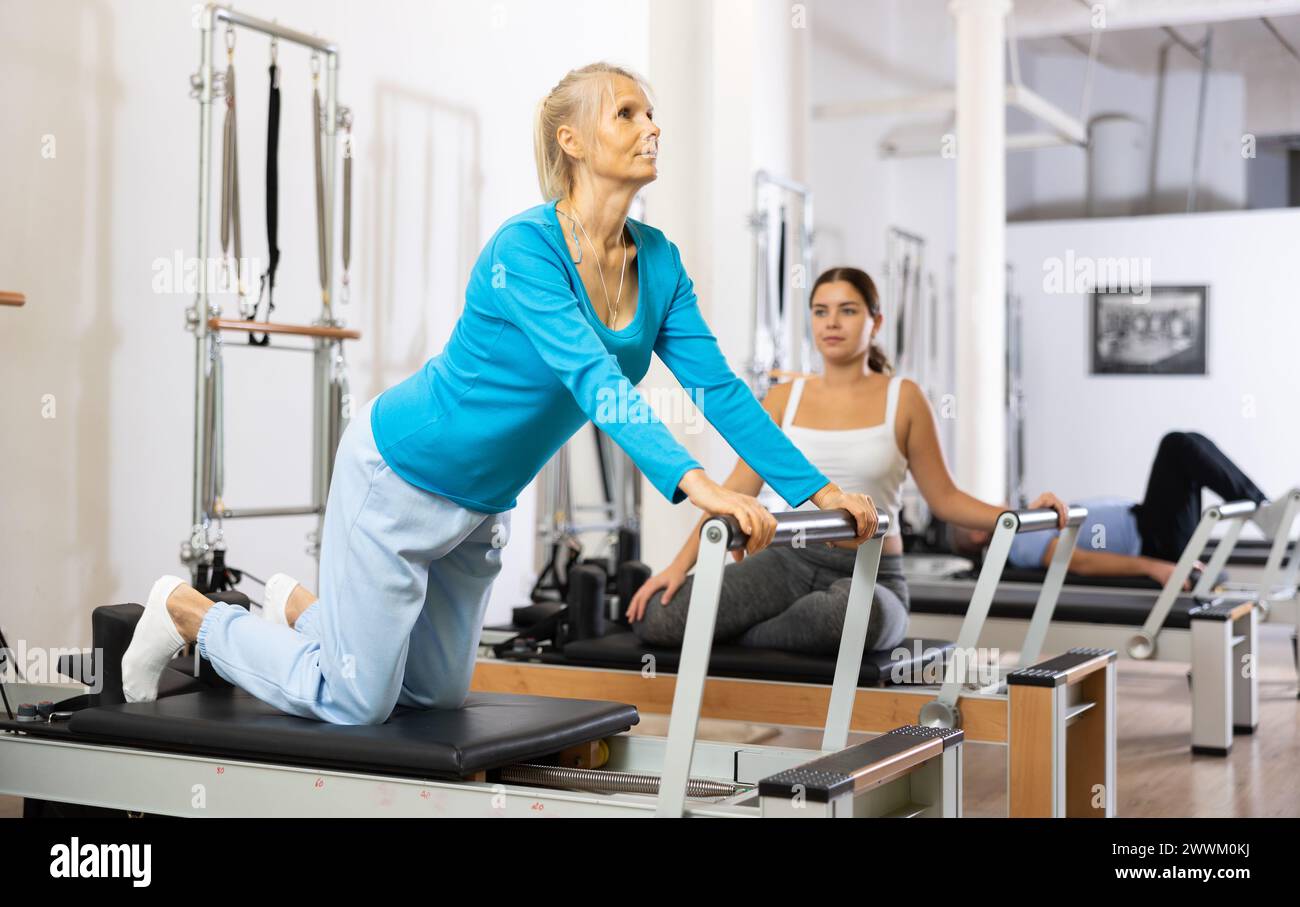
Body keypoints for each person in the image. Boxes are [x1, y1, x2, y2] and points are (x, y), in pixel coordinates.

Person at [119, 63, 879, 724]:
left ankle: (301, 610)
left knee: (434, 695)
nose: (652, 127)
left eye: (651, 113)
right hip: (401, 475)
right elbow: (596, 382)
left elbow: (722, 390)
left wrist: (818, 492)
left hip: (483, 506)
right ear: (571, 141)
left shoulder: (659, 262)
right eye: (627, 113)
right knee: (356, 702)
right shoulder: (526, 249)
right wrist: (699, 485)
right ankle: (189, 614)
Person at [626, 266, 1066, 656]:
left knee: (853, 617)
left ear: (876, 322)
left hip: (870, 571)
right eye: (820, 311)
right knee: (660, 619)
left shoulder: (904, 398)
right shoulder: (783, 398)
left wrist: (1024, 516)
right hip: (786, 562)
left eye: (848, 310)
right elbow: (735, 491)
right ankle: (774, 628)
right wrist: (677, 567)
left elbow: (946, 499)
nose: (832, 322)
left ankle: (749, 635)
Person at [988, 431, 1287, 586]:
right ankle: (1262, 511)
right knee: (1177, 445)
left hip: (1149, 525)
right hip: (1151, 541)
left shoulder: (1023, 523)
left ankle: (1262, 509)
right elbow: (1080, 562)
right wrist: (1152, 567)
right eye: (987, 505)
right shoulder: (1016, 537)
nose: (998, 503)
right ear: (978, 534)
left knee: (1190, 442)